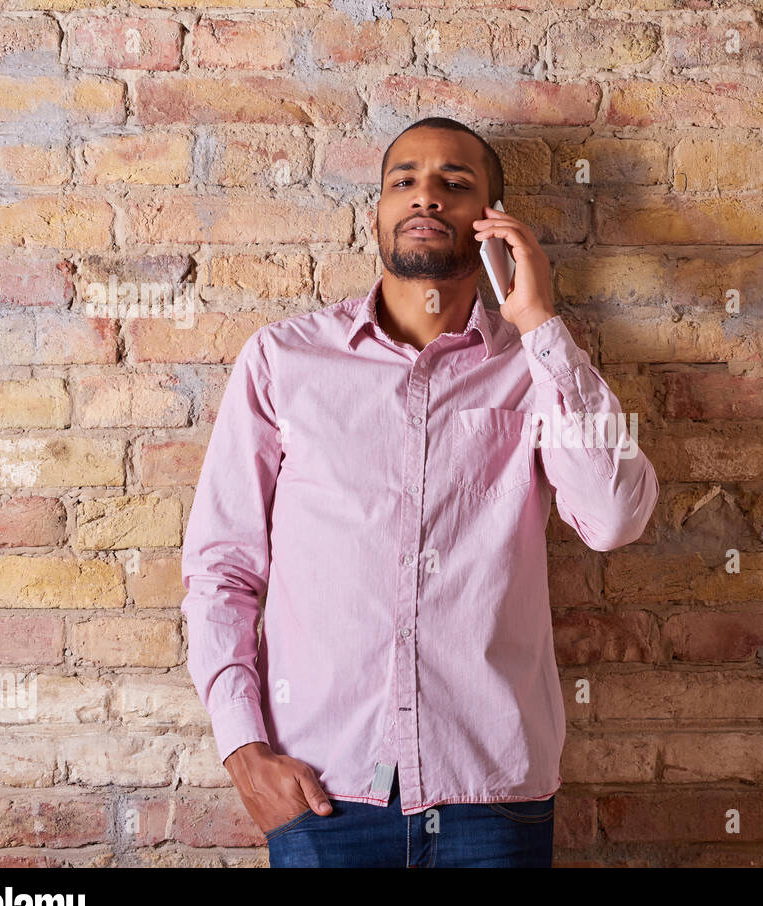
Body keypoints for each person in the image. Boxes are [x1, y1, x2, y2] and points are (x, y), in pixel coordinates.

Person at [181, 116, 659, 867]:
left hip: (490, 800)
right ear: (376, 213)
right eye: (403, 180)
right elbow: (222, 569)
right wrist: (243, 748)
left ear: (491, 223)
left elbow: (614, 517)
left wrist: (538, 323)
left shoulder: (535, 369)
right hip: (323, 795)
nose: (425, 197)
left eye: (454, 183)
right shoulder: (282, 360)